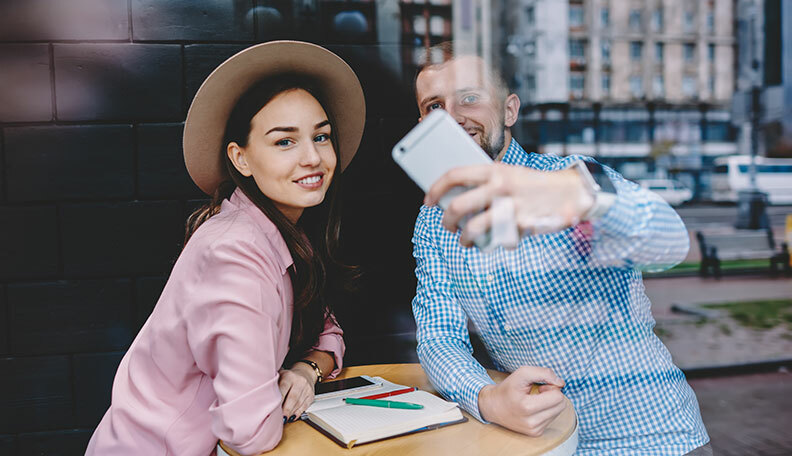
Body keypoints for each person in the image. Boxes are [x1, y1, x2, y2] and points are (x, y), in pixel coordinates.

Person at [410, 42, 711, 455]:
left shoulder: (572, 177)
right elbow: (439, 337)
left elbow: (670, 240)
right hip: (545, 445)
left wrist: (575, 195)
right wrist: (485, 398)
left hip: (653, 439)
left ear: (509, 110)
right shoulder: (433, 223)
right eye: (435, 107)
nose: (454, 116)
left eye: (470, 98)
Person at [86, 41, 366, 456]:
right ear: (241, 158)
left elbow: (327, 331)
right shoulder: (234, 253)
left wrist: (305, 372)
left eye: (321, 136)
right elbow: (250, 434)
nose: (313, 157)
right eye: (284, 142)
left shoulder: (282, 234)